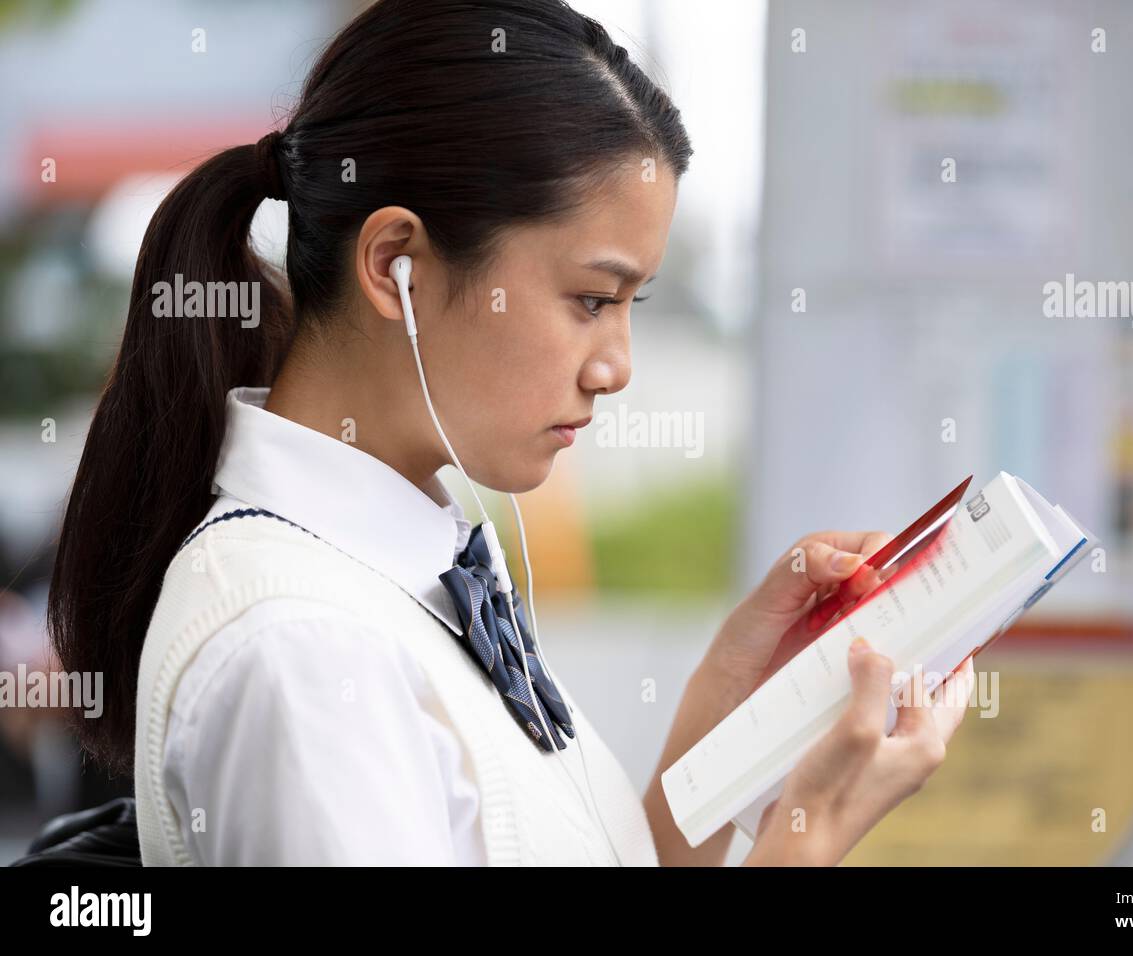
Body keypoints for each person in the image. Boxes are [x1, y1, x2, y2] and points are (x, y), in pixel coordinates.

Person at [46, 0, 974, 866]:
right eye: (590, 300)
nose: (616, 365)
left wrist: (722, 729)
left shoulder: (405, 561)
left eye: (630, 305)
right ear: (395, 264)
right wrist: (799, 848)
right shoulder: (303, 650)